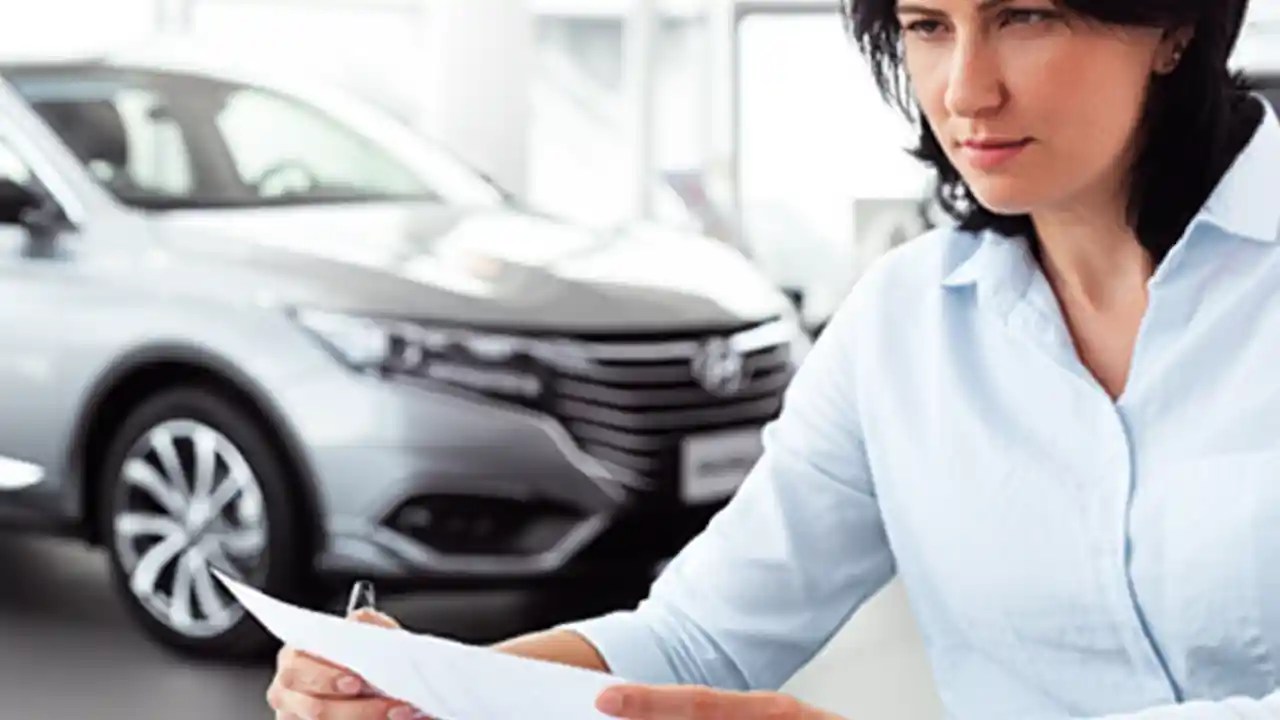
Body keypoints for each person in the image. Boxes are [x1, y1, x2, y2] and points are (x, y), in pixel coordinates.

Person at [267, 0, 1280, 717]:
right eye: (926, 25)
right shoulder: (902, 323)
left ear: (1173, 27)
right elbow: (700, 636)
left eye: (1025, 15)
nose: (964, 89)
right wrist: (428, 688)